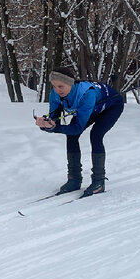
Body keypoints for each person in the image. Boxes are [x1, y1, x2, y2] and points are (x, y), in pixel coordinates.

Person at [35, 67, 125, 197]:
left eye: (61, 86)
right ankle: (74, 179)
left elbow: (77, 127)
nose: (57, 90)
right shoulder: (55, 94)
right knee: (71, 137)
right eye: (54, 86)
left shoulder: (87, 94)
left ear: (70, 83)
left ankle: (99, 182)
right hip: (91, 108)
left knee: (96, 135)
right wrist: (46, 124)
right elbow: (54, 119)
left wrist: (54, 128)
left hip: (111, 107)